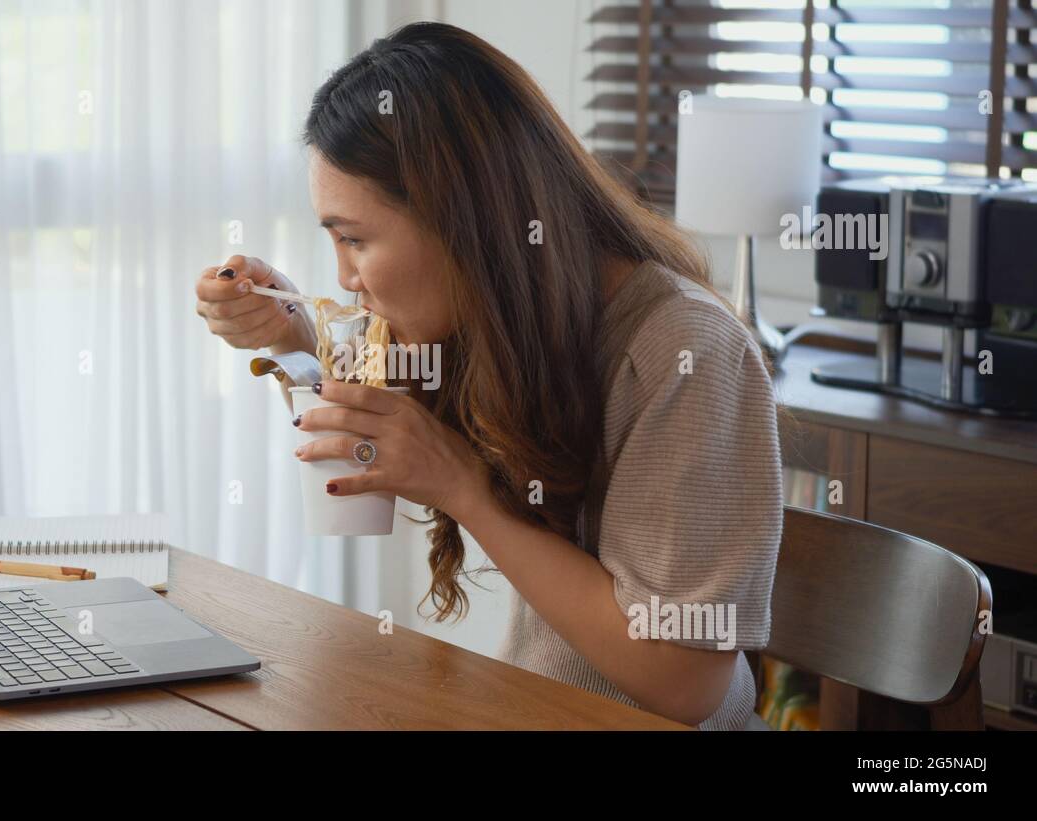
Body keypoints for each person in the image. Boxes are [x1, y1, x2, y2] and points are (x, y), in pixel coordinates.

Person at [193, 22, 782, 730]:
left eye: (354, 239)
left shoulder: (686, 354)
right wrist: (291, 326)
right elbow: (404, 388)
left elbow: (685, 681)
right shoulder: (516, 320)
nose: (346, 279)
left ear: (464, 217)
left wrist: (462, 486)